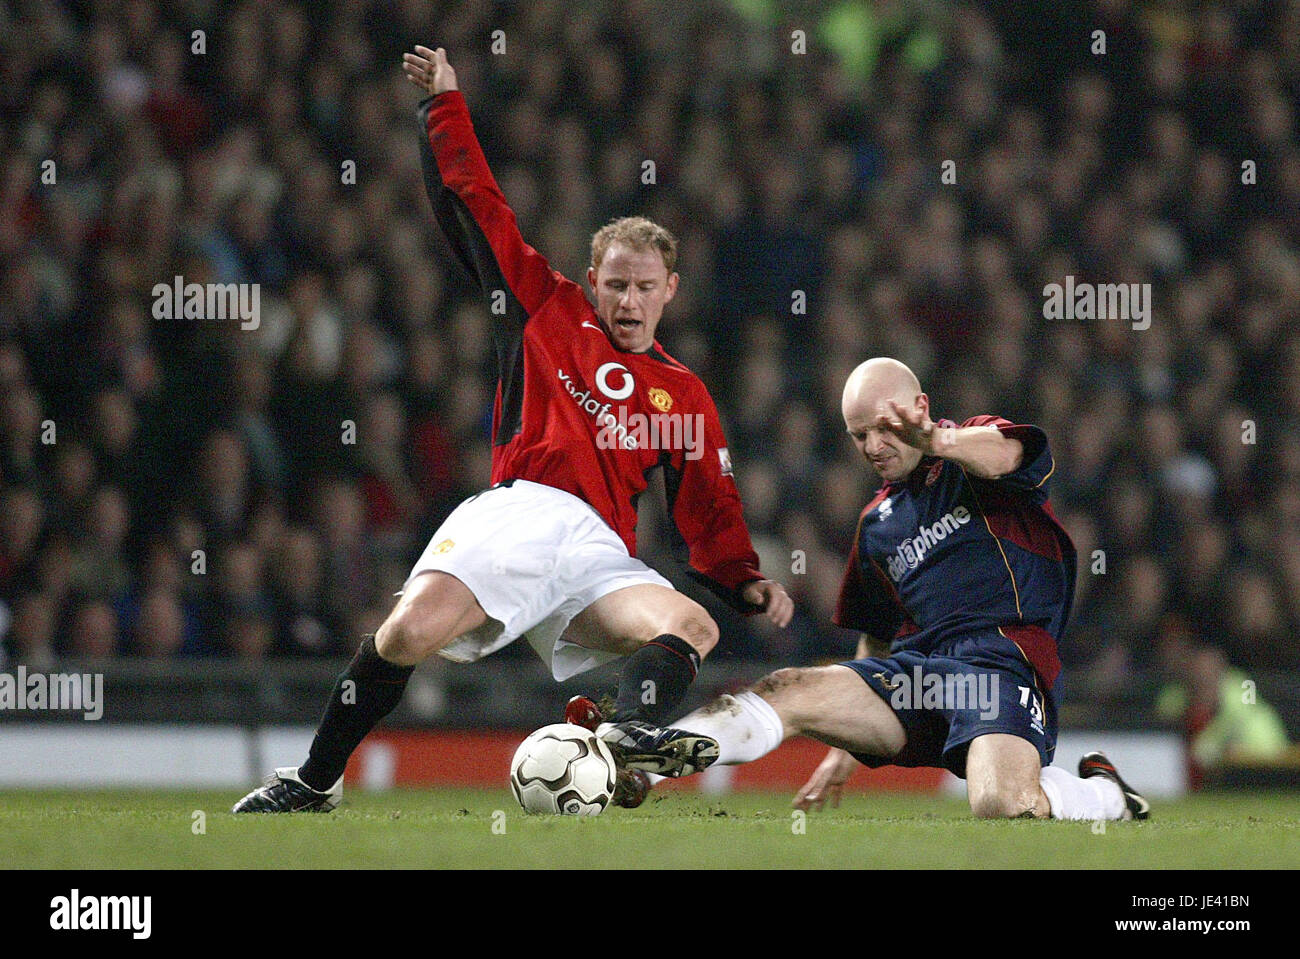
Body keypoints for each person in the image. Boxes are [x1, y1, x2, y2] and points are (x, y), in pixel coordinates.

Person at [233, 47, 792, 813]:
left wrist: (745, 579)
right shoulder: (546, 309)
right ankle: (313, 780)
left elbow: (708, 509)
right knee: (406, 635)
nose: (629, 301)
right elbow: (477, 207)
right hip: (520, 511)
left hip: (598, 550)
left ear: (672, 291)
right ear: (593, 281)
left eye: (646, 287)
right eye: (617, 284)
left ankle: (628, 734)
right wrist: (445, 109)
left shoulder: (684, 393)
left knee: (691, 623)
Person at [658, 357, 1150, 820]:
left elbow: (1006, 455)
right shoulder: (876, 524)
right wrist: (845, 746)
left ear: (922, 409)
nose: (872, 447)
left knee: (1003, 804)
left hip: (1000, 664)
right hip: (920, 677)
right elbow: (876, 639)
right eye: (859, 435)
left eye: (883, 428)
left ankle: (1107, 796)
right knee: (786, 688)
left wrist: (938, 441)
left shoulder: (971, 449)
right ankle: (646, 759)